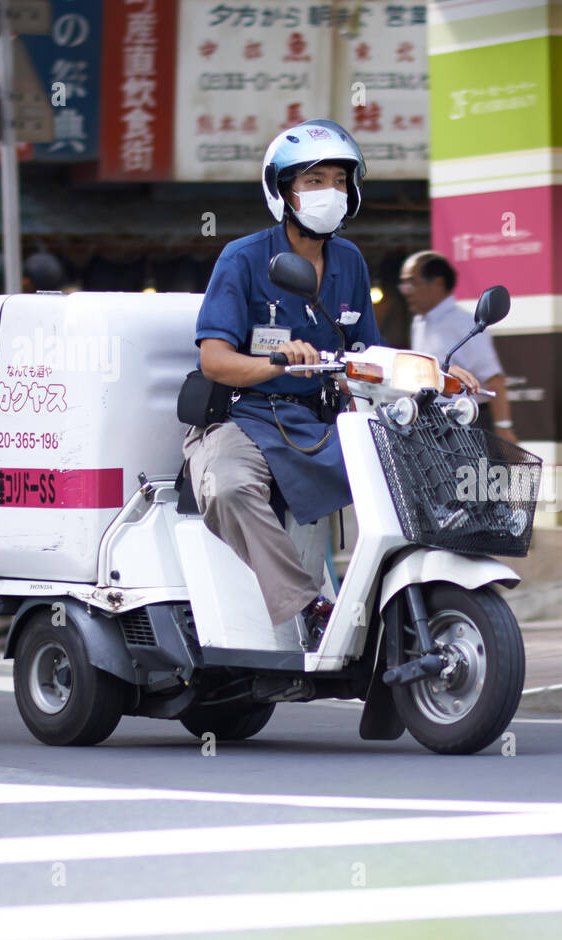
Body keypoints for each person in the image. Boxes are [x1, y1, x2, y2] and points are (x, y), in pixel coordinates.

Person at [183, 120, 478, 652]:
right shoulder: (244, 258)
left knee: (410, 466)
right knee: (228, 489)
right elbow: (214, 360)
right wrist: (274, 361)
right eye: (315, 181)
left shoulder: (349, 261)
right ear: (282, 191)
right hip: (241, 417)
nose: (331, 194)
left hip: (315, 423)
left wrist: (438, 372)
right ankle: (309, 606)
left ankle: (416, 593)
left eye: (341, 181)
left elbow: (368, 353)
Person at [400, 251, 518, 444]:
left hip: (466, 424)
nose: (407, 291)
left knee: (473, 475)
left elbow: (494, 379)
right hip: (429, 425)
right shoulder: (419, 322)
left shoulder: (464, 324)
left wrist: (503, 429)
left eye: (412, 283)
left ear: (437, 283)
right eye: (404, 285)